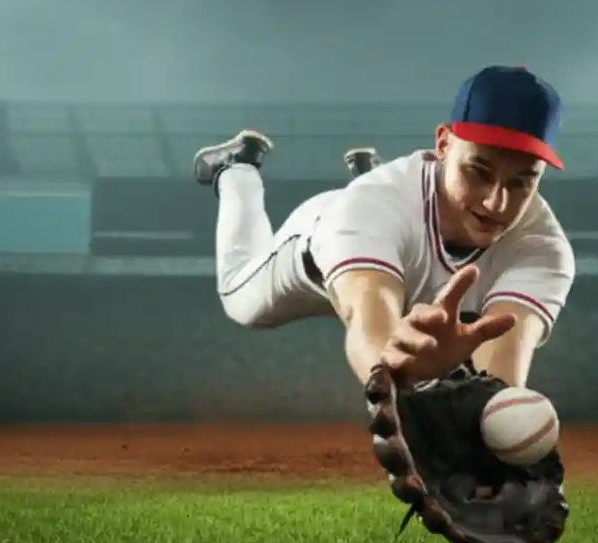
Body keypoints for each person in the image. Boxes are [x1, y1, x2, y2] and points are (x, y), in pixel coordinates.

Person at [193, 65, 576, 391]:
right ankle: (237, 170)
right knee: (240, 301)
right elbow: (369, 321)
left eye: (521, 181)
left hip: (393, 241)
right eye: (479, 171)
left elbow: (503, 365)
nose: (497, 202)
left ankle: (372, 173)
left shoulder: (542, 246)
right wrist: (401, 380)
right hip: (323, 247)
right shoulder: (371, 207)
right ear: (443, 144)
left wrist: (498, 428)